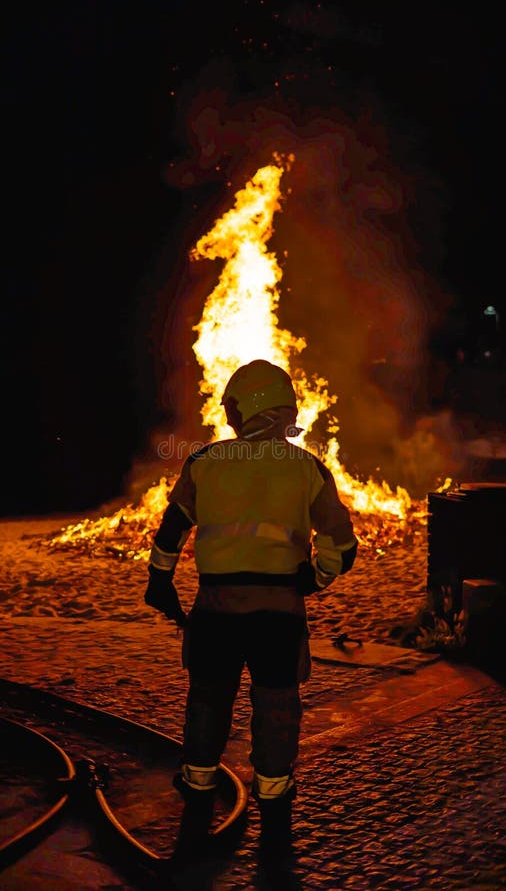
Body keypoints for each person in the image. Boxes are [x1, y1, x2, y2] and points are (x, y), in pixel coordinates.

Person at [144, 359, 357, 841]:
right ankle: (274, 794)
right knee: (278, 703)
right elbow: (342, 545)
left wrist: (160, 580)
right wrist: (315, 580)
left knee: (208, 696)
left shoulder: (205, 462)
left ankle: (198, 781)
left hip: (215, 609)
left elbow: (173, 528)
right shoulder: (308, 467)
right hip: (279, 614)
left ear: (243, 410)